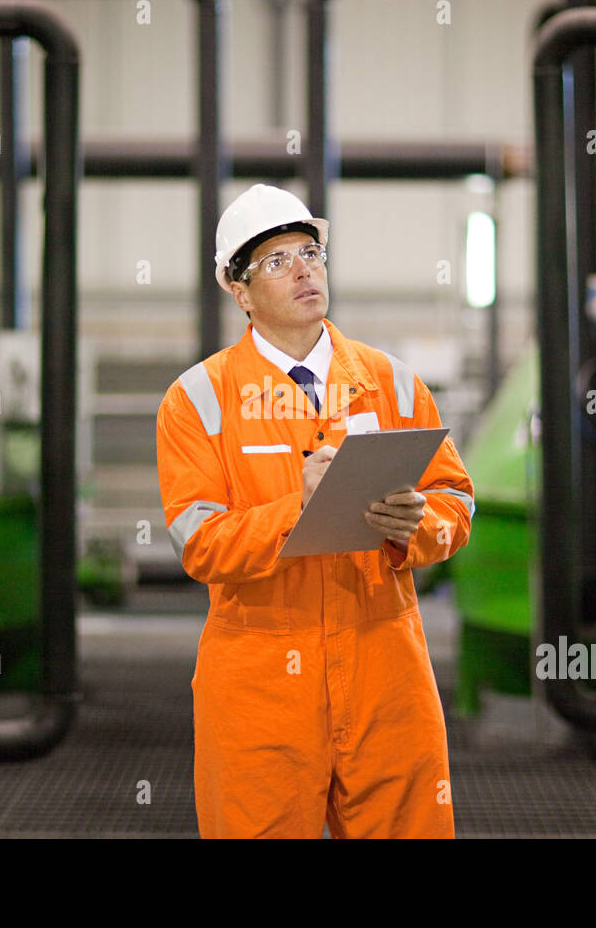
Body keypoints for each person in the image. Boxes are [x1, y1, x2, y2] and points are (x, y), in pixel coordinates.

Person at [155, 183, 475, 838]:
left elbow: (457, 500)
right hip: (259, 685)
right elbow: (200, 543)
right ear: (239, 291)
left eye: (310, 253)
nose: (303, 270)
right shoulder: (198, 400)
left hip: (386, 670)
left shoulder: (392, 383)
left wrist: (417, 526)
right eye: (277, 261)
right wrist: (298, 509)